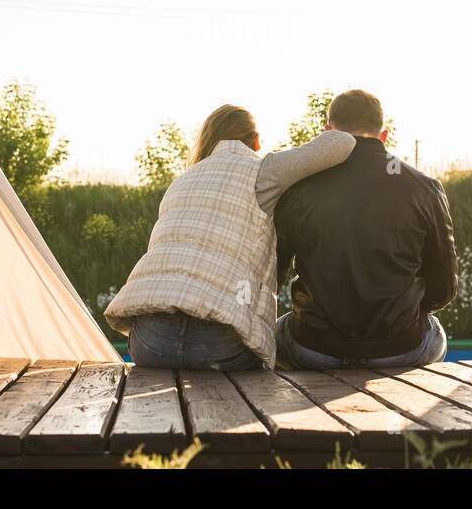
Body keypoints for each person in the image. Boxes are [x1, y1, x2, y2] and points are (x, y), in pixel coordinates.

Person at [105, 104, 354, 371]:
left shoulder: (181, 182)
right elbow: (341, 141)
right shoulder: (264, 172)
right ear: (256, 141)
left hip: (150, 345)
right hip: (220, 347)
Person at [274, 89, 458, 369]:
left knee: (278, 329)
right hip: (400, 348)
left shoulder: (298, 189)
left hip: (314, 349)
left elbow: (274, 275)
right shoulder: (425, 188)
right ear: (384, 135)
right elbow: (444, 288)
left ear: (327, 132)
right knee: (436, 334)